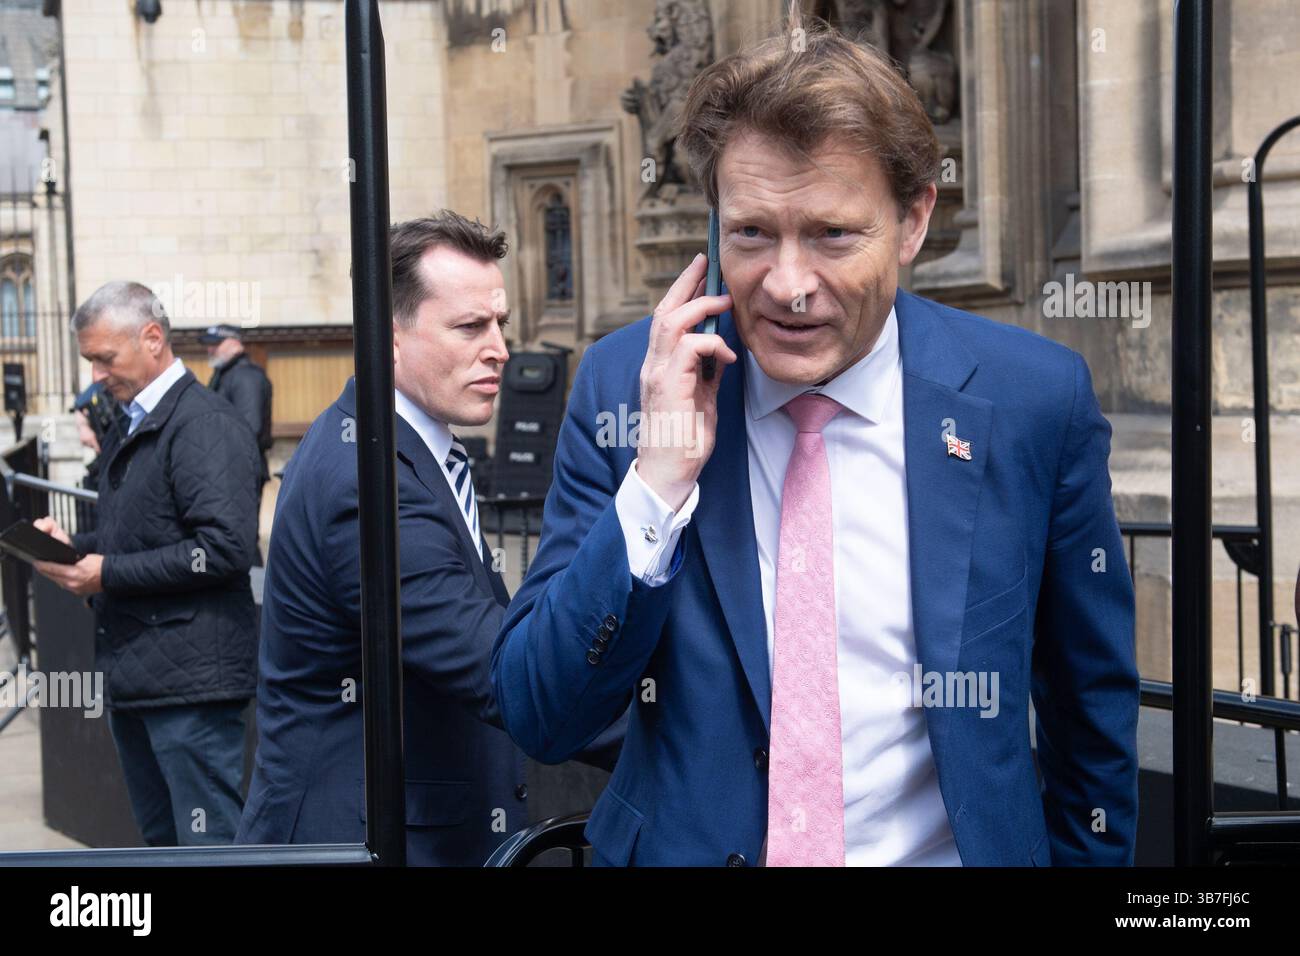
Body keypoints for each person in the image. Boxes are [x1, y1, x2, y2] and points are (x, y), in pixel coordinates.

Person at [491, 19, 1138, 866]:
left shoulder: (1031, 400)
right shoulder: (630, 384)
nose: (788, 286)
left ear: (912, 221)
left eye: (833, 234)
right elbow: (542, 714)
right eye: (752, 233)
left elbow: (1092, 718)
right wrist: (655, 488)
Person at [237, 211, 620, 865]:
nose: (499, 347)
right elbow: (500, 672)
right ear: (388, 338)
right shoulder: (365, 479)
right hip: (364, 844)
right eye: (471, 326)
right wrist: (681, 734)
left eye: (499, 323)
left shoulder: (411, 452)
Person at [33, 281, 261, 847]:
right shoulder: (134, 422)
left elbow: (225, 548)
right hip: (142, 680)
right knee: (163, 848)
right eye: (90, 360)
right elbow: (133, 535)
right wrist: (74, 544)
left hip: (191, 690)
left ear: (152, 337)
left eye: (104, 358)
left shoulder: (204, 424)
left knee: (208, 850)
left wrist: (103, 572)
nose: (96, 376)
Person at [200, 324, 273, 564]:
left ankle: (257, 595)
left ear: (234, 343)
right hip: (229, 469)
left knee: (242, 537)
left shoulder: (245, 376)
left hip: (241, 470)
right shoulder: (227, 374)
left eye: (215, 344)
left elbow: (248, 429)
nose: (209, 350)